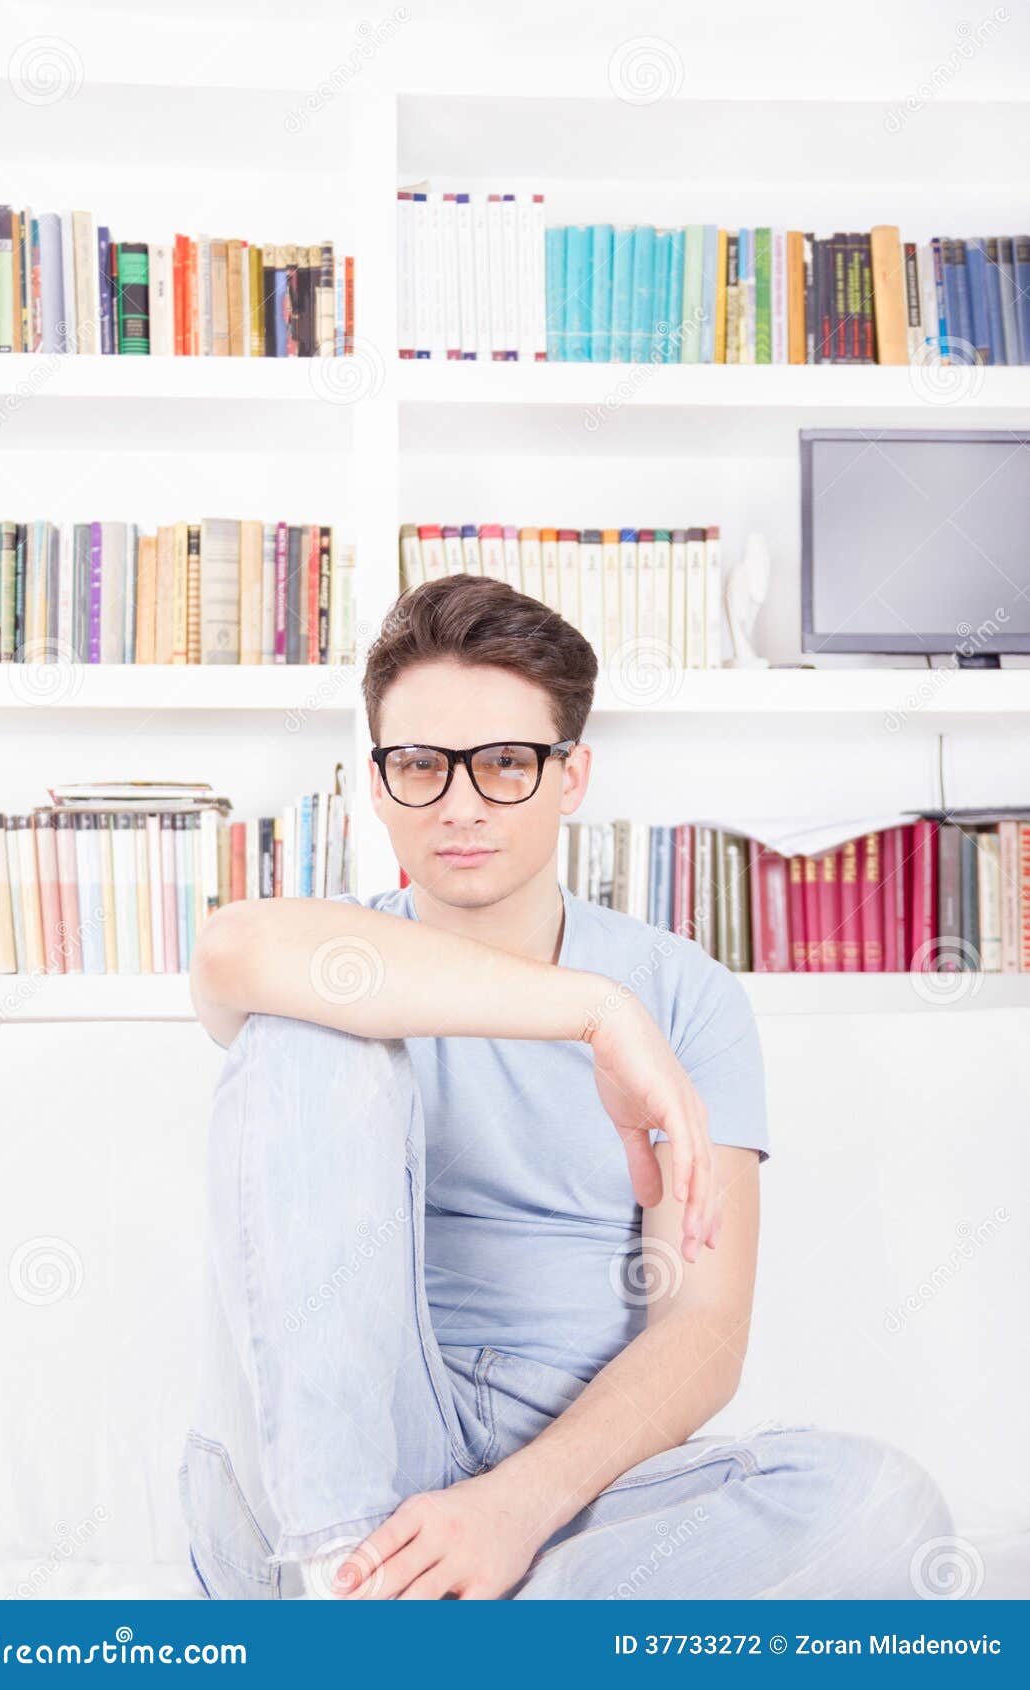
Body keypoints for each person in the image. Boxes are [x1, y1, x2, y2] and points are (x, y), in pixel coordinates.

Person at [179, 573, 953, 1601]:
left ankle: (467, 1623)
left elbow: (702, 1328)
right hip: (327, 1476)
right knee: (309, 1028)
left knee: (885, 1508)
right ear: (376, 783)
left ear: (570, 775)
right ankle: (353, 1587)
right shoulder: (334, 955)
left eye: (503, 763)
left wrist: (511, 1506)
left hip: (572, 1500)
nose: (459, 805)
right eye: (418, 765)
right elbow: (233, 948)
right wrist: (590, 1011)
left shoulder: (685, 994)